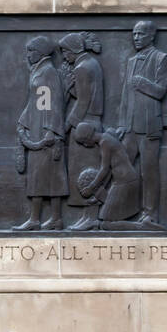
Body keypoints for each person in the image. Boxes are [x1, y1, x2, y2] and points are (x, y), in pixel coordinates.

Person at [118, 20, 167, 227]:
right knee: (122, 168)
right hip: (130, 126)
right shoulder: (132, 61)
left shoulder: (162, 59)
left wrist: (143, 83)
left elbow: (160, 91)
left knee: (148, 172)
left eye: (140, 34)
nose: (136, 37)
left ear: (151, 36)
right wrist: (123, 123)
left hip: (150, 125)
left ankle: (150, 213)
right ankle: (121, 210)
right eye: (134, 34)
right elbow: (125, 95)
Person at [16, 36, 68, 230]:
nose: (28, 55)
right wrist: (23, 122)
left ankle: (55, 218)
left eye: (30, 51)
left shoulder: (47, 73)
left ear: (41, 53)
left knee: (52, 177)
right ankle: (35, 219)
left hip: (46, 133)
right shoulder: (38, 72)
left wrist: (50, 131)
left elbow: (51, 104)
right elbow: (35, 103)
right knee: (37, 177)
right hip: (37, 128)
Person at [59, 31, 104, 231]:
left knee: (85, 172)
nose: (63, 56)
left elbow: (84, 101)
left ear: (73, 50)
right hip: (91, 122)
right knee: (86, 171)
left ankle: (91, 217)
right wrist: (71, 88)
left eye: (65, 51)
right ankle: (88, 216)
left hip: (84, 125)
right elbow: (87, 94)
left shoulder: (82, 67)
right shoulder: (91, 63)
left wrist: (68, 125)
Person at [71, 122, 140, 228]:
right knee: (105, 221)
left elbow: (104, 169)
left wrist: (91, 187)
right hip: (122, 182)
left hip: (126, 183)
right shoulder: (106, 139)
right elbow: (109, 171)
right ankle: (91, 221)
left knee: (106, 223)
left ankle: (141, 226)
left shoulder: (105, 142)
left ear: (88, 136)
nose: (85, 145)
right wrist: (99, 189)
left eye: (84, 142)